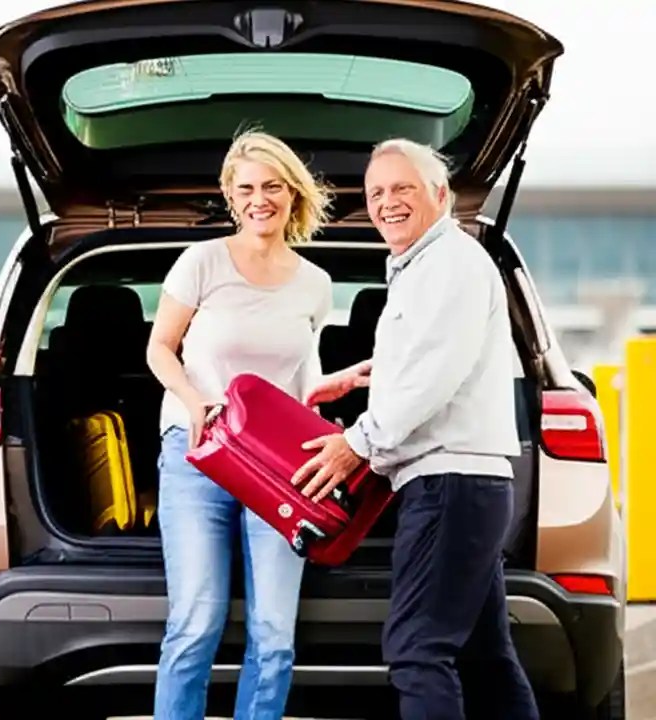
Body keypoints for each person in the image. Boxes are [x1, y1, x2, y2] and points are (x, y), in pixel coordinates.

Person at [292, 137, 538, 719]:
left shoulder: (449, 263)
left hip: (449, 483)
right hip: (462, 486)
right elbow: (432, 356)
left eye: (402, 188)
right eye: (376, 192)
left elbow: (434, 373)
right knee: (485, 656)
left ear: (440, 194)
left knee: (416, 652)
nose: (386, 202)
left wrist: (357, 443)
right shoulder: (425, 266)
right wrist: (356, 380)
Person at [146, 130, 367, 720]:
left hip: (277, 467)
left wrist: (335, 400)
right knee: (195, 623)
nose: (258, 198)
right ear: (229, 194)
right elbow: (159, 349)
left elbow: (301, 377)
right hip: (199, 455)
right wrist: (194, 402)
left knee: (274, 637)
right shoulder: (202, 262)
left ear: (292, 193)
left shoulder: (315, 283)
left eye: (271, 186)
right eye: (245, 188)